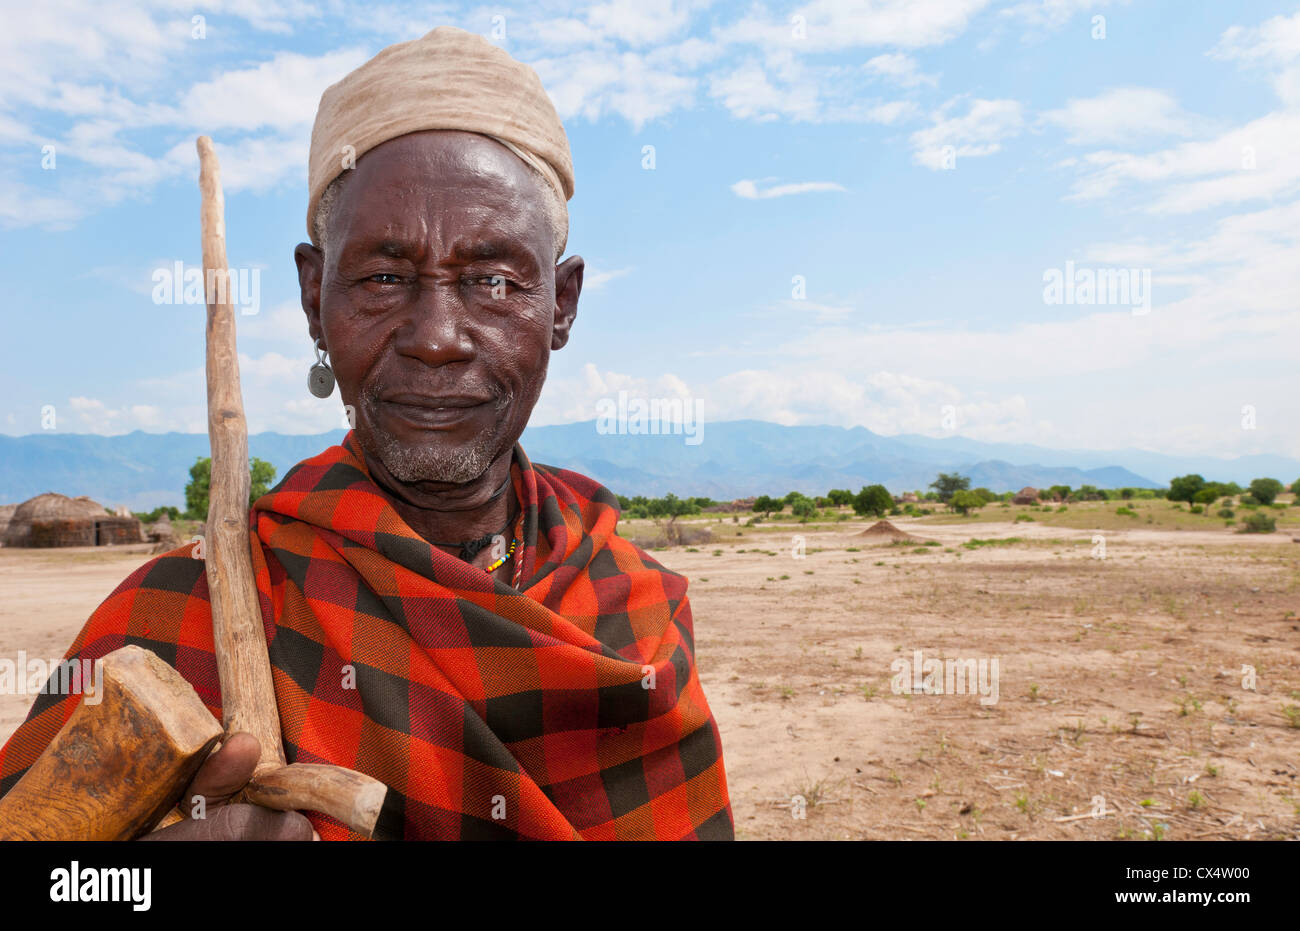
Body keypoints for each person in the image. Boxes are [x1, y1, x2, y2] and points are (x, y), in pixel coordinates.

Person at [0, 25, 732, 841]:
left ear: (560, 303)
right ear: (315, 298)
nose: (437, 335)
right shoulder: (176, 621)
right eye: (384, 277)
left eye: (493, 279)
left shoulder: (635, 608)